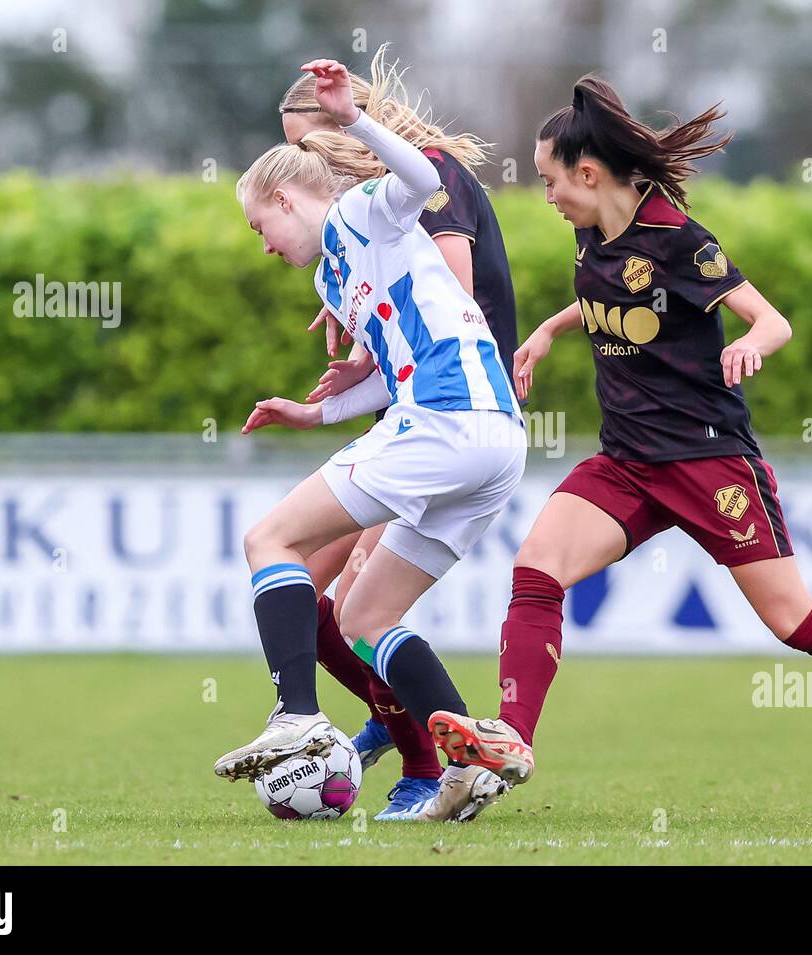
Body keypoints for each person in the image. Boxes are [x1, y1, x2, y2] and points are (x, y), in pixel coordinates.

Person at [429, 76, 812, 822]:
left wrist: (752, 342)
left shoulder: (680, 239)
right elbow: (619, 291)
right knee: (538, 567)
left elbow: (773, 321)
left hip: (708, 460)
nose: (547, 194)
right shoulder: (592, 226)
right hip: (626, 461)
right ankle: (512, 742)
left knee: (794, 621)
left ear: (588, 174)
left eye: (549, 178)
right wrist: (554, 327)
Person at [213, 58, 525, 824]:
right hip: (495, 442)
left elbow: (422, 178)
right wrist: (311, 415)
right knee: (364, 616)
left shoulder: (359, 212)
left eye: (262, 225)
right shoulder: (336, 277)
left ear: (286, 197)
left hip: (445, 423)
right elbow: (393, 372)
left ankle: (297, 716)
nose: (263, 246)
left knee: (269, 537)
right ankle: (471, 759)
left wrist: (352, 117)